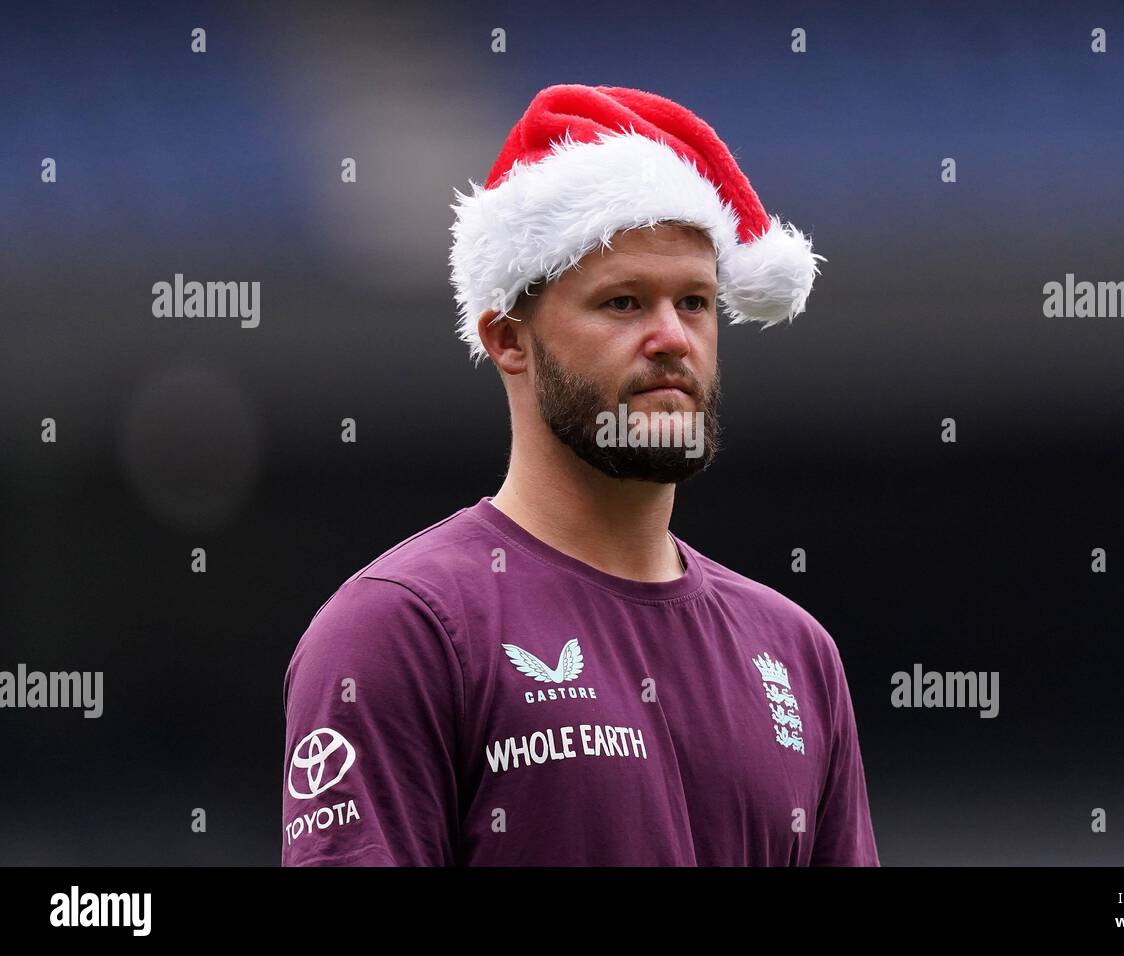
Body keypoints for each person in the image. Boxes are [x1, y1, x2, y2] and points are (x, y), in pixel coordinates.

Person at [281, 84, 880, 866]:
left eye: (695, 302)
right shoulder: (403, 632)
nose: (671, 337)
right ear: (508, 340)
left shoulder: (797, 653)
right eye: (624, 302)